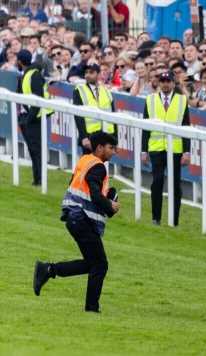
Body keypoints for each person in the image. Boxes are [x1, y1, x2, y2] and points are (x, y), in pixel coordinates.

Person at [33, 132, 120, 312]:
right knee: (100, 264)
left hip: (74, 217)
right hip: (81, 219)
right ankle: (91, 308)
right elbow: (95, 195)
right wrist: (110, 206)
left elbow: (82, 187)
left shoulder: (84, 160)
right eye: (111, 148)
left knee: (92, 263)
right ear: (99, 148)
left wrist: (107, 199)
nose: (114, 152)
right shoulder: (98, 167)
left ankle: (48, 270)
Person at [141, 71, 191, 226]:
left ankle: (174, 220)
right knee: (157, 182)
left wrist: (187, 151)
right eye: (162, 81)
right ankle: (156, 218)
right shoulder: (150, 100)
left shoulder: (182, 101)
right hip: (156, 148)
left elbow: (186, 126)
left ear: (173, 83)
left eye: (167, 81)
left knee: (175, 185)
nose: (165, 84)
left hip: (175, 149)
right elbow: (145, 127)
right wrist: (144, 150)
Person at [16, 49, 53, 186]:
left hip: (36, 118)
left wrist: (29, 119)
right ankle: (37, 179)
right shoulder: (26, 74)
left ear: (20, 61)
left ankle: (40, 179)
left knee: (36, 150)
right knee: (33, 150)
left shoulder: (34, 74)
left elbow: (38, 99)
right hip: (31, 116)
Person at [72, 63, 116, 154]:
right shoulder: (79, 90)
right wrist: (83, 137)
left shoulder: (106, 91)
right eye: (86, 72)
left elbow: (114, 116)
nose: (87, 75)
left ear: (98, 74)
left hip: (106, 135)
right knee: (89, 165)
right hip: (90, 136)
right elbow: (78, 116)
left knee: (101, 166)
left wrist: (115, 139)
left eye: (91, 72)